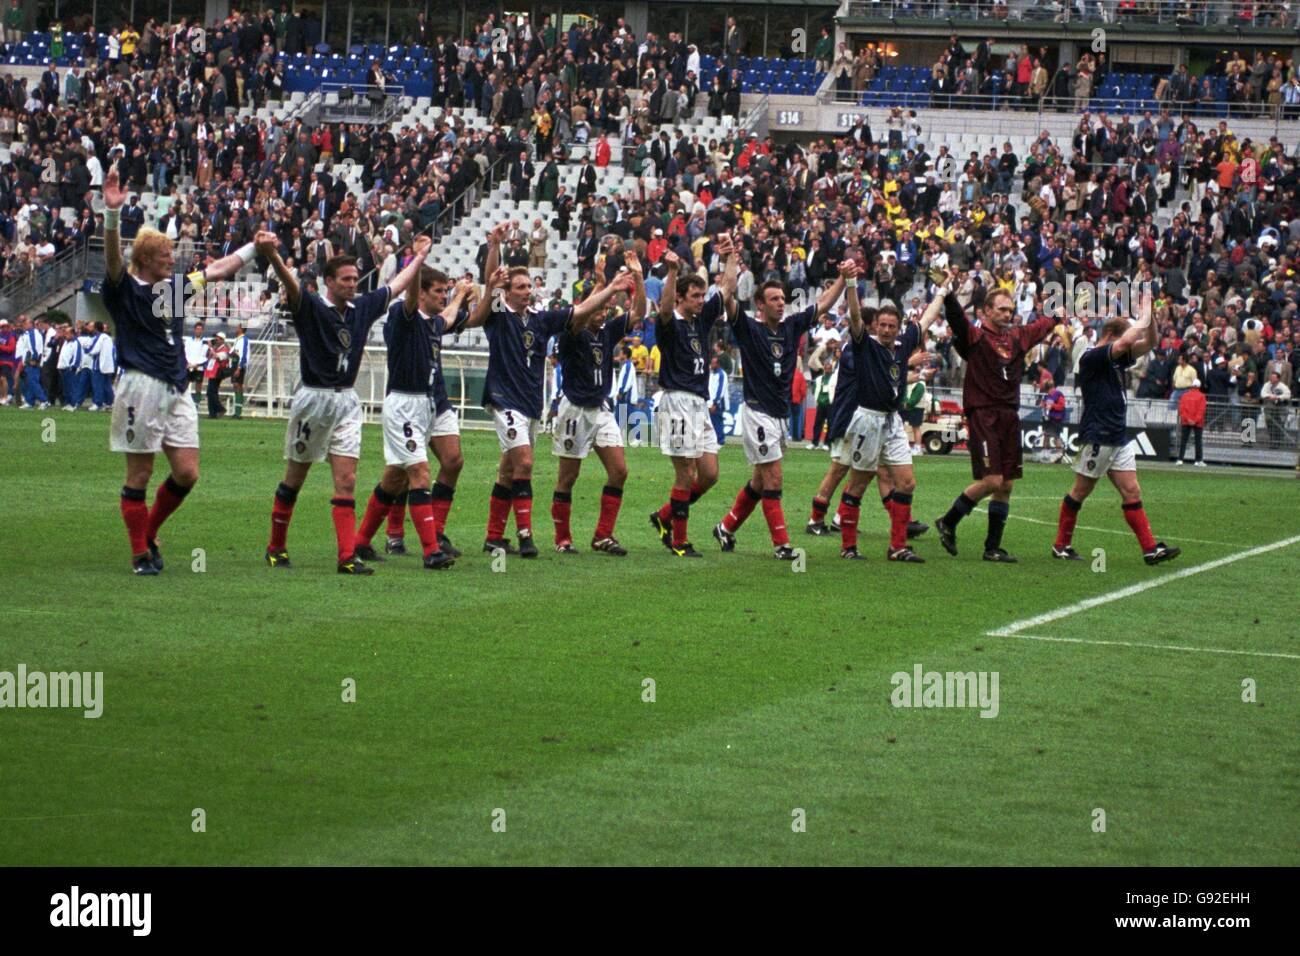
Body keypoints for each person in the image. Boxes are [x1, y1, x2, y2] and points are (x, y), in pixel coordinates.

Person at [102, 168, 251, 575]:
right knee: (141, 471)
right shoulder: (125, 289)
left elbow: (220, 269)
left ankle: (147, 532)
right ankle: (139, 555)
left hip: (176, 386)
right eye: (165, 255)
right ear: (146, 259)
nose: (173, 259)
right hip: (140, 386)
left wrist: (258, 245)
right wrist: (112, 215)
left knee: (186, 472)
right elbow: (114, 260)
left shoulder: (173, 288)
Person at [256, 230, 432, 574]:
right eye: (346, 279)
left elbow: (396, 285)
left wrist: (421, 257)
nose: (353, 284)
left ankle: (346, 556)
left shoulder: (361, 308)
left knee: (347, 479)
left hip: (347, 401)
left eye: (355, 278)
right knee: (296, 476)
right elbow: (290, 282)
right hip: (313, 399)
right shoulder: (309, 306)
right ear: (328, 282)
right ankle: (276, 546)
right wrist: (273, 255)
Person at [461, 224, 633, 557]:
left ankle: (494, 536)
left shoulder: (540, 319)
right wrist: (494, 244)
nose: (527, 291)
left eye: (529, 286)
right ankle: (525, 535)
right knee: (524, 464)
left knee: (509, 469)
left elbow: (581, 310)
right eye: (521, 287)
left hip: (529, 404)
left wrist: (611, 288)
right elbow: (490, 280)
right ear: (508, 292)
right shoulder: (498, 314)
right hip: (503, 400)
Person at [712, 261, 847, 559]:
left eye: (783, 299)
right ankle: (782, 544)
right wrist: (730, 260)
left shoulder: (791, 326)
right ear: (760, 304)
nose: (780, 303)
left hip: (780, 415)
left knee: (760, 482)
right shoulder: (748, 327)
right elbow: (729, 295)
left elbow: (823, 304)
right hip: (758, 413)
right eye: (774, 299)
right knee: (773, 479)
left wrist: (842, 277)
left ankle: (726, 527)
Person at [352, 268, 473, 571]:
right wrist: (418, 262)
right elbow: (409, 300)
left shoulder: (433, 324)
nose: (443, 296)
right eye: (438, 291)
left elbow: (448, 316)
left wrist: (459, 295)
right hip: (404, 404)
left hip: (425, 405)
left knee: (394, 478)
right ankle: (431, 550)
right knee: (420, 472)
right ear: (421, 292)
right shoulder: (403, 314)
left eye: (445, 291)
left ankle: (361, 542)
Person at [1053, 296, 1180, 566]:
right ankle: (1061, 545)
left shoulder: (1115, 359)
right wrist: (1144, 315)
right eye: (1124, 340)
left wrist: (1150, 320)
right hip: (1099, 434)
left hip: (1117, 436)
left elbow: (1150, 343)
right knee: (1080, 492)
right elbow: (1125, 343)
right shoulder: (1093, 357)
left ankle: (1149, 549)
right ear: (1110, 335)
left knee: (1132, 492)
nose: (1129, 347)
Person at [934, 282, 1057, 563]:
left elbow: (1044, 325)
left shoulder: (1017, 337)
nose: (1008, 314)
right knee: (992, 480)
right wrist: (949, 294)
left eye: (1011, 310)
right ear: (986, 311)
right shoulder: (975, 337)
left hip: (1009, 415)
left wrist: (1060, 312)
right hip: (984, 413)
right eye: (1001, 309)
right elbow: (956, 317)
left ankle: (992, 548)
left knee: (1006, 485)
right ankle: (948, 521)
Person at [835, 262, 946, 562]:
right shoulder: (864, 344)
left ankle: (897, 546)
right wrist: (850, 283)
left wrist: (944, 290)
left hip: (892, 421)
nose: (885, 330)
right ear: (876, 327)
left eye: (891, 326)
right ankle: (848, 547)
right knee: (858, 484)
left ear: (897, 328)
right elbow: (855, 315)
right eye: (882, 325)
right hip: (867, 420)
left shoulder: (902, 345)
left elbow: (926, 318)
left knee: (907, 482)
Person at [649, 239, 737, 557]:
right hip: (677, 401)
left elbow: (726, 288)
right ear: (682, 298)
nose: (701, 300)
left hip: (699, 403)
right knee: (685, 473)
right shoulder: (669, 325)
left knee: (710, 474)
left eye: (702, 295)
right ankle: (680, 541)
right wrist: (672, 272)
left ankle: (663, 517)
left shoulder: (701, 321)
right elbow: (664, 306)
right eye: (695, 296)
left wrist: (729, 257)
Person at [549, 256, 642, 555]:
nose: (602, 314)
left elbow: (638, 312)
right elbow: (579, 315)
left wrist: (637, 278)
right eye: (598, 308)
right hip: (574, 408)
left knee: (619, 471)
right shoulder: (571, 330)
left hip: (600, 409)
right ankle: (562, 539)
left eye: (605, 309)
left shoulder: (607, 332)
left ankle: (603, 535)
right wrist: (602, 285)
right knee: (568, 477)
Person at [14, 317, 49, 409]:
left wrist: (35, 359)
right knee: (29, 382)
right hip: (26, 360)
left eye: (25, 323)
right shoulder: (27, 334)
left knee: (33, 382)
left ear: (30, 324)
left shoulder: (33, 334)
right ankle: (30, 401)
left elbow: (35, 347)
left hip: (31, 361)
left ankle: (44, 400)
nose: (23, 325)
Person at [1175, 380, 1207, 466]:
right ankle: (1198, 460)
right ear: (1199, 386)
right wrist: (1195, 420)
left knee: (1183, 440)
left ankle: (1180, 459)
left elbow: (1182, 409)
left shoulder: (1184, 396)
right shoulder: (1202, 396)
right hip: (1198, 422)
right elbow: (1201, 410)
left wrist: (1188, 419)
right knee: (1198, 441)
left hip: (1186, 421)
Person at [203, 333, 230, 418]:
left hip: (218, 372)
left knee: (212, 392)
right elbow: (208, 356)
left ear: (222, 340)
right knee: (210, 392)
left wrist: (211, 347)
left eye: (217, 339)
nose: (215, 340)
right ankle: (212, 413)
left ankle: (220, 409)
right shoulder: (216, 348)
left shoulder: (225, 349)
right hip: (212, 372)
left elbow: (217, 357)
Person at [229, 324, 250, 419]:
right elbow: (233, 352)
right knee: (235, 386)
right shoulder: (237, 339)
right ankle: (236, 411)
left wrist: (239, 367)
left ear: (241, 329)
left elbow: (244, 355)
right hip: (234, 363)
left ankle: (238, 413)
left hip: (238, 365)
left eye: (237, 327)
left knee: (238, 386)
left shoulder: (244, 340)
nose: (236, 329)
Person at [707, 354, 729, 447]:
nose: (711, 365)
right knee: (710, 422)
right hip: (709, 402)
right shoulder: (711, 373)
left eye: (713, 363)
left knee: (717, 421)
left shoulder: (722, 374)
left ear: (718, 364)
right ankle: (711, 440)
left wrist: (715, 403)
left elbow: (721, 390)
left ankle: (720, 441)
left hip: (717, 403)